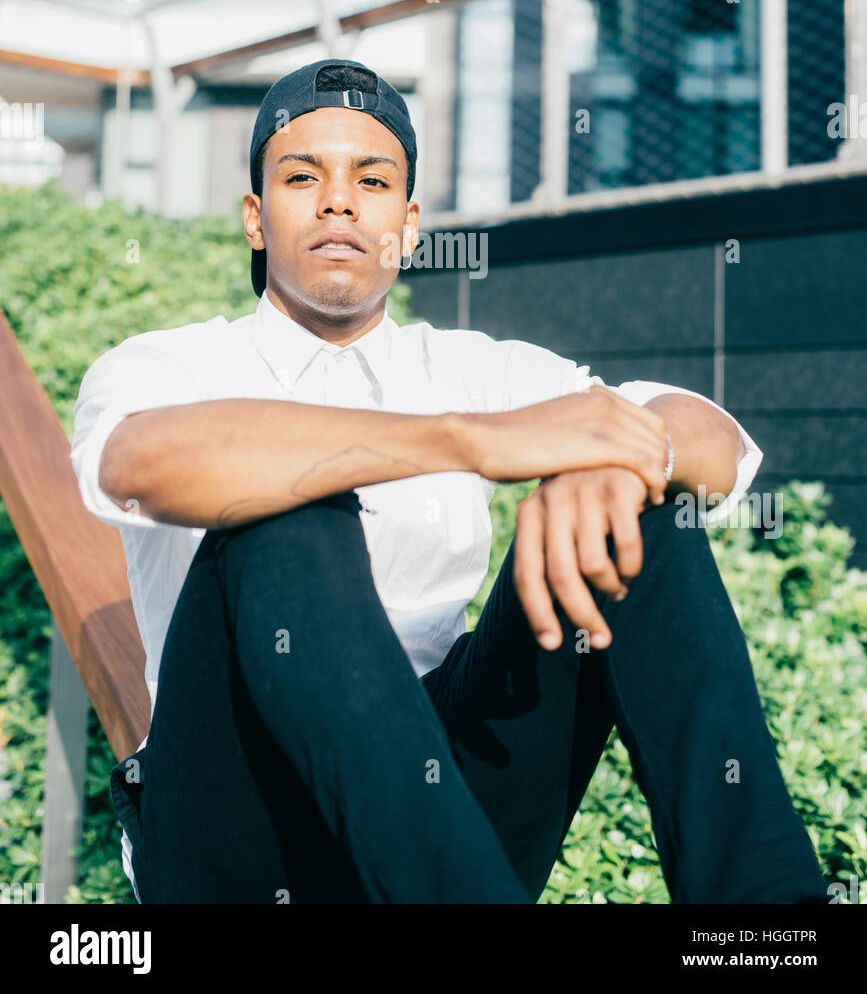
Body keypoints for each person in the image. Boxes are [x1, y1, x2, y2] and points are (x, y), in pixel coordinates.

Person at [71, 58, 828, 905]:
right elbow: (134, 464)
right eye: (300, 176)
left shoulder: (465, 364)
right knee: (286, 505)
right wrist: (464, 440)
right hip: (241, 823)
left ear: (409, 221)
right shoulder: (172, 363)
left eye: (372, 179)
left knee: (643, 506)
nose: (338, 201)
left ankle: (771, 929)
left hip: (444, 804)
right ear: (255, 217)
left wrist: (617, 461)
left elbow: (717, 445)